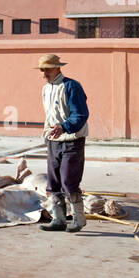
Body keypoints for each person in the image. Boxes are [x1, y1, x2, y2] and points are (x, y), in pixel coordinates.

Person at [37, 54, 90, 232]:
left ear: (58, 68)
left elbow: (81, 114)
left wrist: (64, 127)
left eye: (47, 69)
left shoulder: (71, 86)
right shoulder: (46, 89)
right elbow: (49, 115)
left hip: (71, 140)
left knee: (69, 180)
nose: (44, 73)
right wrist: (49, 134)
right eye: (42, 69)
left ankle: (79, 219)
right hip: (53, 140)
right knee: (54, 182)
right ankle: (58, 219)